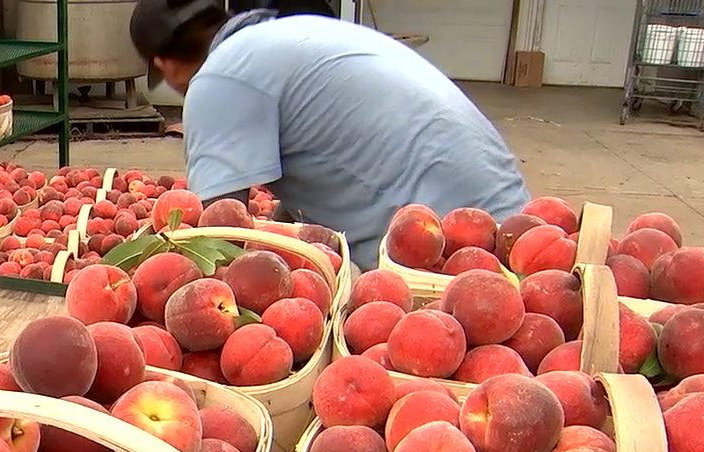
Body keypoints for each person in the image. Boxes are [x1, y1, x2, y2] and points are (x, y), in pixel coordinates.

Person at [128, 1, 531, 270]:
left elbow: (217, 239)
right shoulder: (294, 34)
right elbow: (326, 155)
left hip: (450, 252)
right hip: (516, 223)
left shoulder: (218, 78)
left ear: (165, 63)